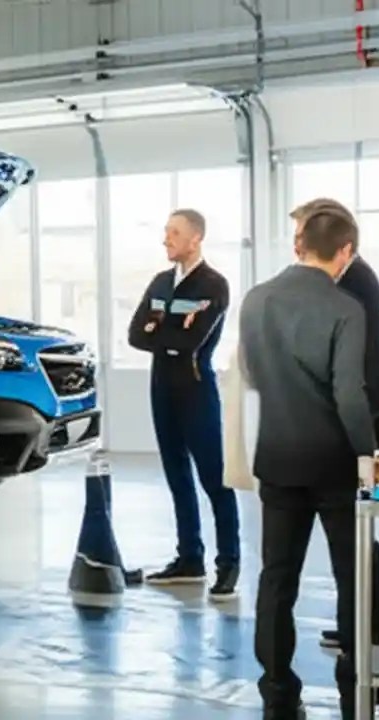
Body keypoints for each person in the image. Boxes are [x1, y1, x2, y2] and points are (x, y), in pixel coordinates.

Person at [239, 202, 375, 720]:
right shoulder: (345, 309)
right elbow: (350, 395)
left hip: (276, 456)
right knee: (350, 580)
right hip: (334, 464)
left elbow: (252, 374)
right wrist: (367, 456)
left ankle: (277, 694)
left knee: (276, 580)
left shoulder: (256, 300)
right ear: (344, 251)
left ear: (300, 244)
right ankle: (351, 692)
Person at [291, 199, 379, 654]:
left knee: (348, 519)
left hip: (361, 416)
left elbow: (344, 358)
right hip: (352, 414)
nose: (299, 245)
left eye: (303, 234)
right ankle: (374, 610)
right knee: (348, 518)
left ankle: (374, 612)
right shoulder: (346, 278)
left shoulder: (351, 281)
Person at [127, 209, 240, 600]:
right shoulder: (161, 281)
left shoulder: (214, 285)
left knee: (214, 480)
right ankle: (189, 558)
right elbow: (134, 335)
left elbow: (190, 344)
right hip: (161, 389)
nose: (166, 239)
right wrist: (170, 333)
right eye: (165, 231)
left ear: (196, 238)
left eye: (174, 232)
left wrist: (161, 330)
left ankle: (228, 564)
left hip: (196, 390)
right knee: (177, 476)